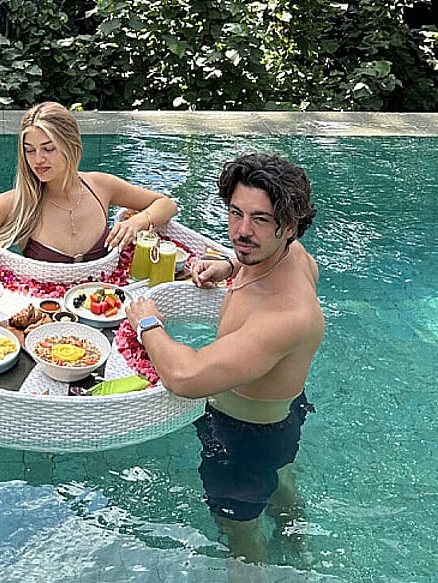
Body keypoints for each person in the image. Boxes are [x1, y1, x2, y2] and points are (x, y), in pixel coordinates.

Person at [123, 152, 323, 567]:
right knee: (281, 472)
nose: (241, 231)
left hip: (244, 439)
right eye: (236, 214)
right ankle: (299, 542)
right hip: (281, 414)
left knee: (241, 545)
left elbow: (185, 376)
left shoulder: (287, 314)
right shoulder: (289, 254)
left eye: (260, 220)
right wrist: (229, 264)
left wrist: (146, 324)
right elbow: (281, 254)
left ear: (288, 226)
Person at [0, 102, 178, 312]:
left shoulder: (101, 186)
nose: (38, 160)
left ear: (70, 145)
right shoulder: (18, 202)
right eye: (29, 150)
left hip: (108, 311)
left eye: (48, 149)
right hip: (46, 316)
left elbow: (166, 204)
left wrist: (136, 222)